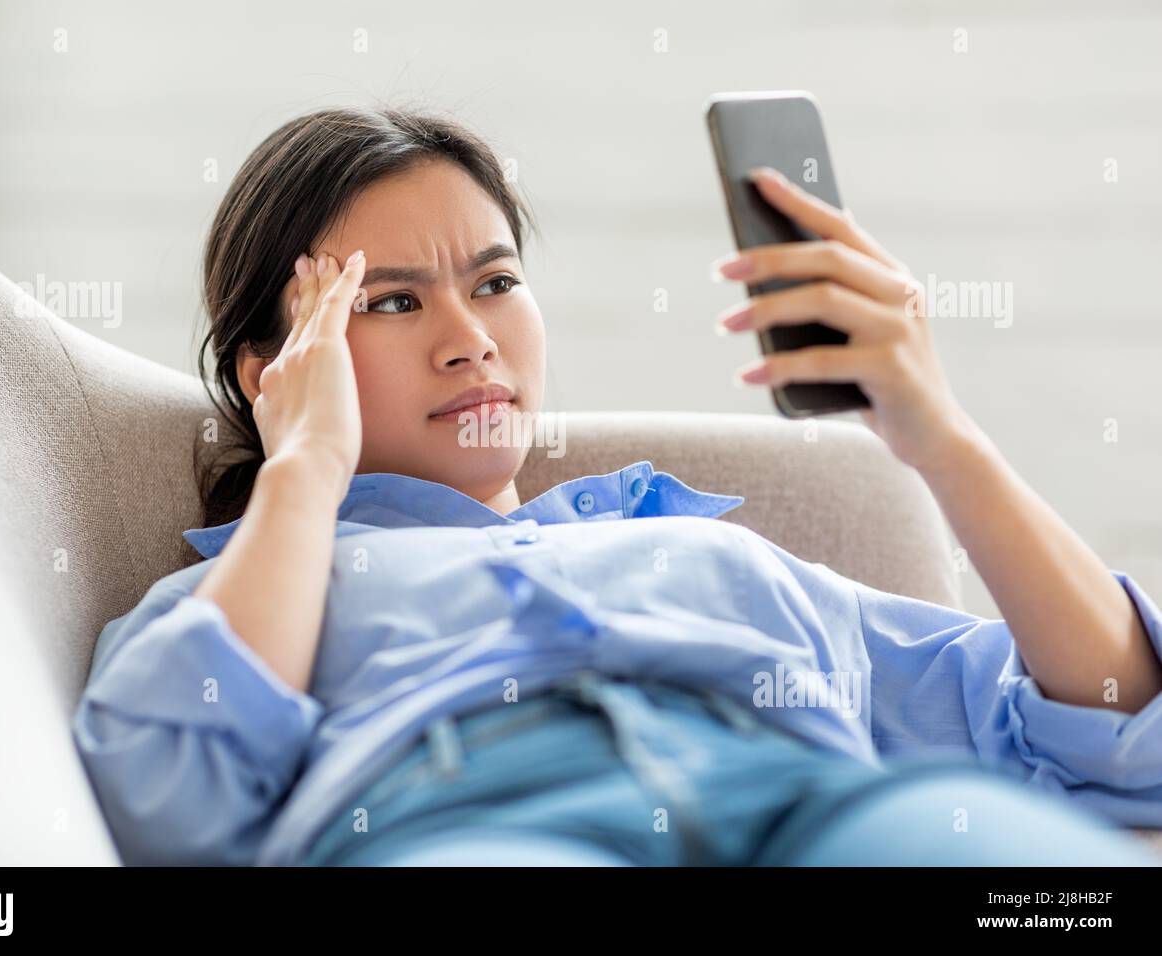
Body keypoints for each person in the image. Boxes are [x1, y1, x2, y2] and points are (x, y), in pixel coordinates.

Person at [71, 106, 1162, 866]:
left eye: (496, 282)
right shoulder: (233, 609)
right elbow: (171, 795)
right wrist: (305, 467)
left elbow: (1123, 734)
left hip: (818, 803)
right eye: (392, 303)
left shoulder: (710, 555)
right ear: (276, 370)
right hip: (472, 816)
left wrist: (940, 433)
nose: (469, 341)